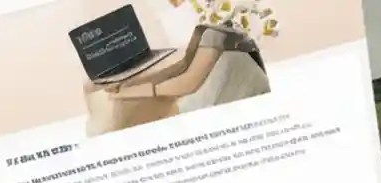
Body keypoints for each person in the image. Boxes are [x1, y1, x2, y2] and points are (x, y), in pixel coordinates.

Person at [83, 24, 270, 136]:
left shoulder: (218, 28)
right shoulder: (204, 29)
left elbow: (189, 82)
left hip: (245, 90)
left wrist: (129, 92)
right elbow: (183, 66)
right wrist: (128, 85)